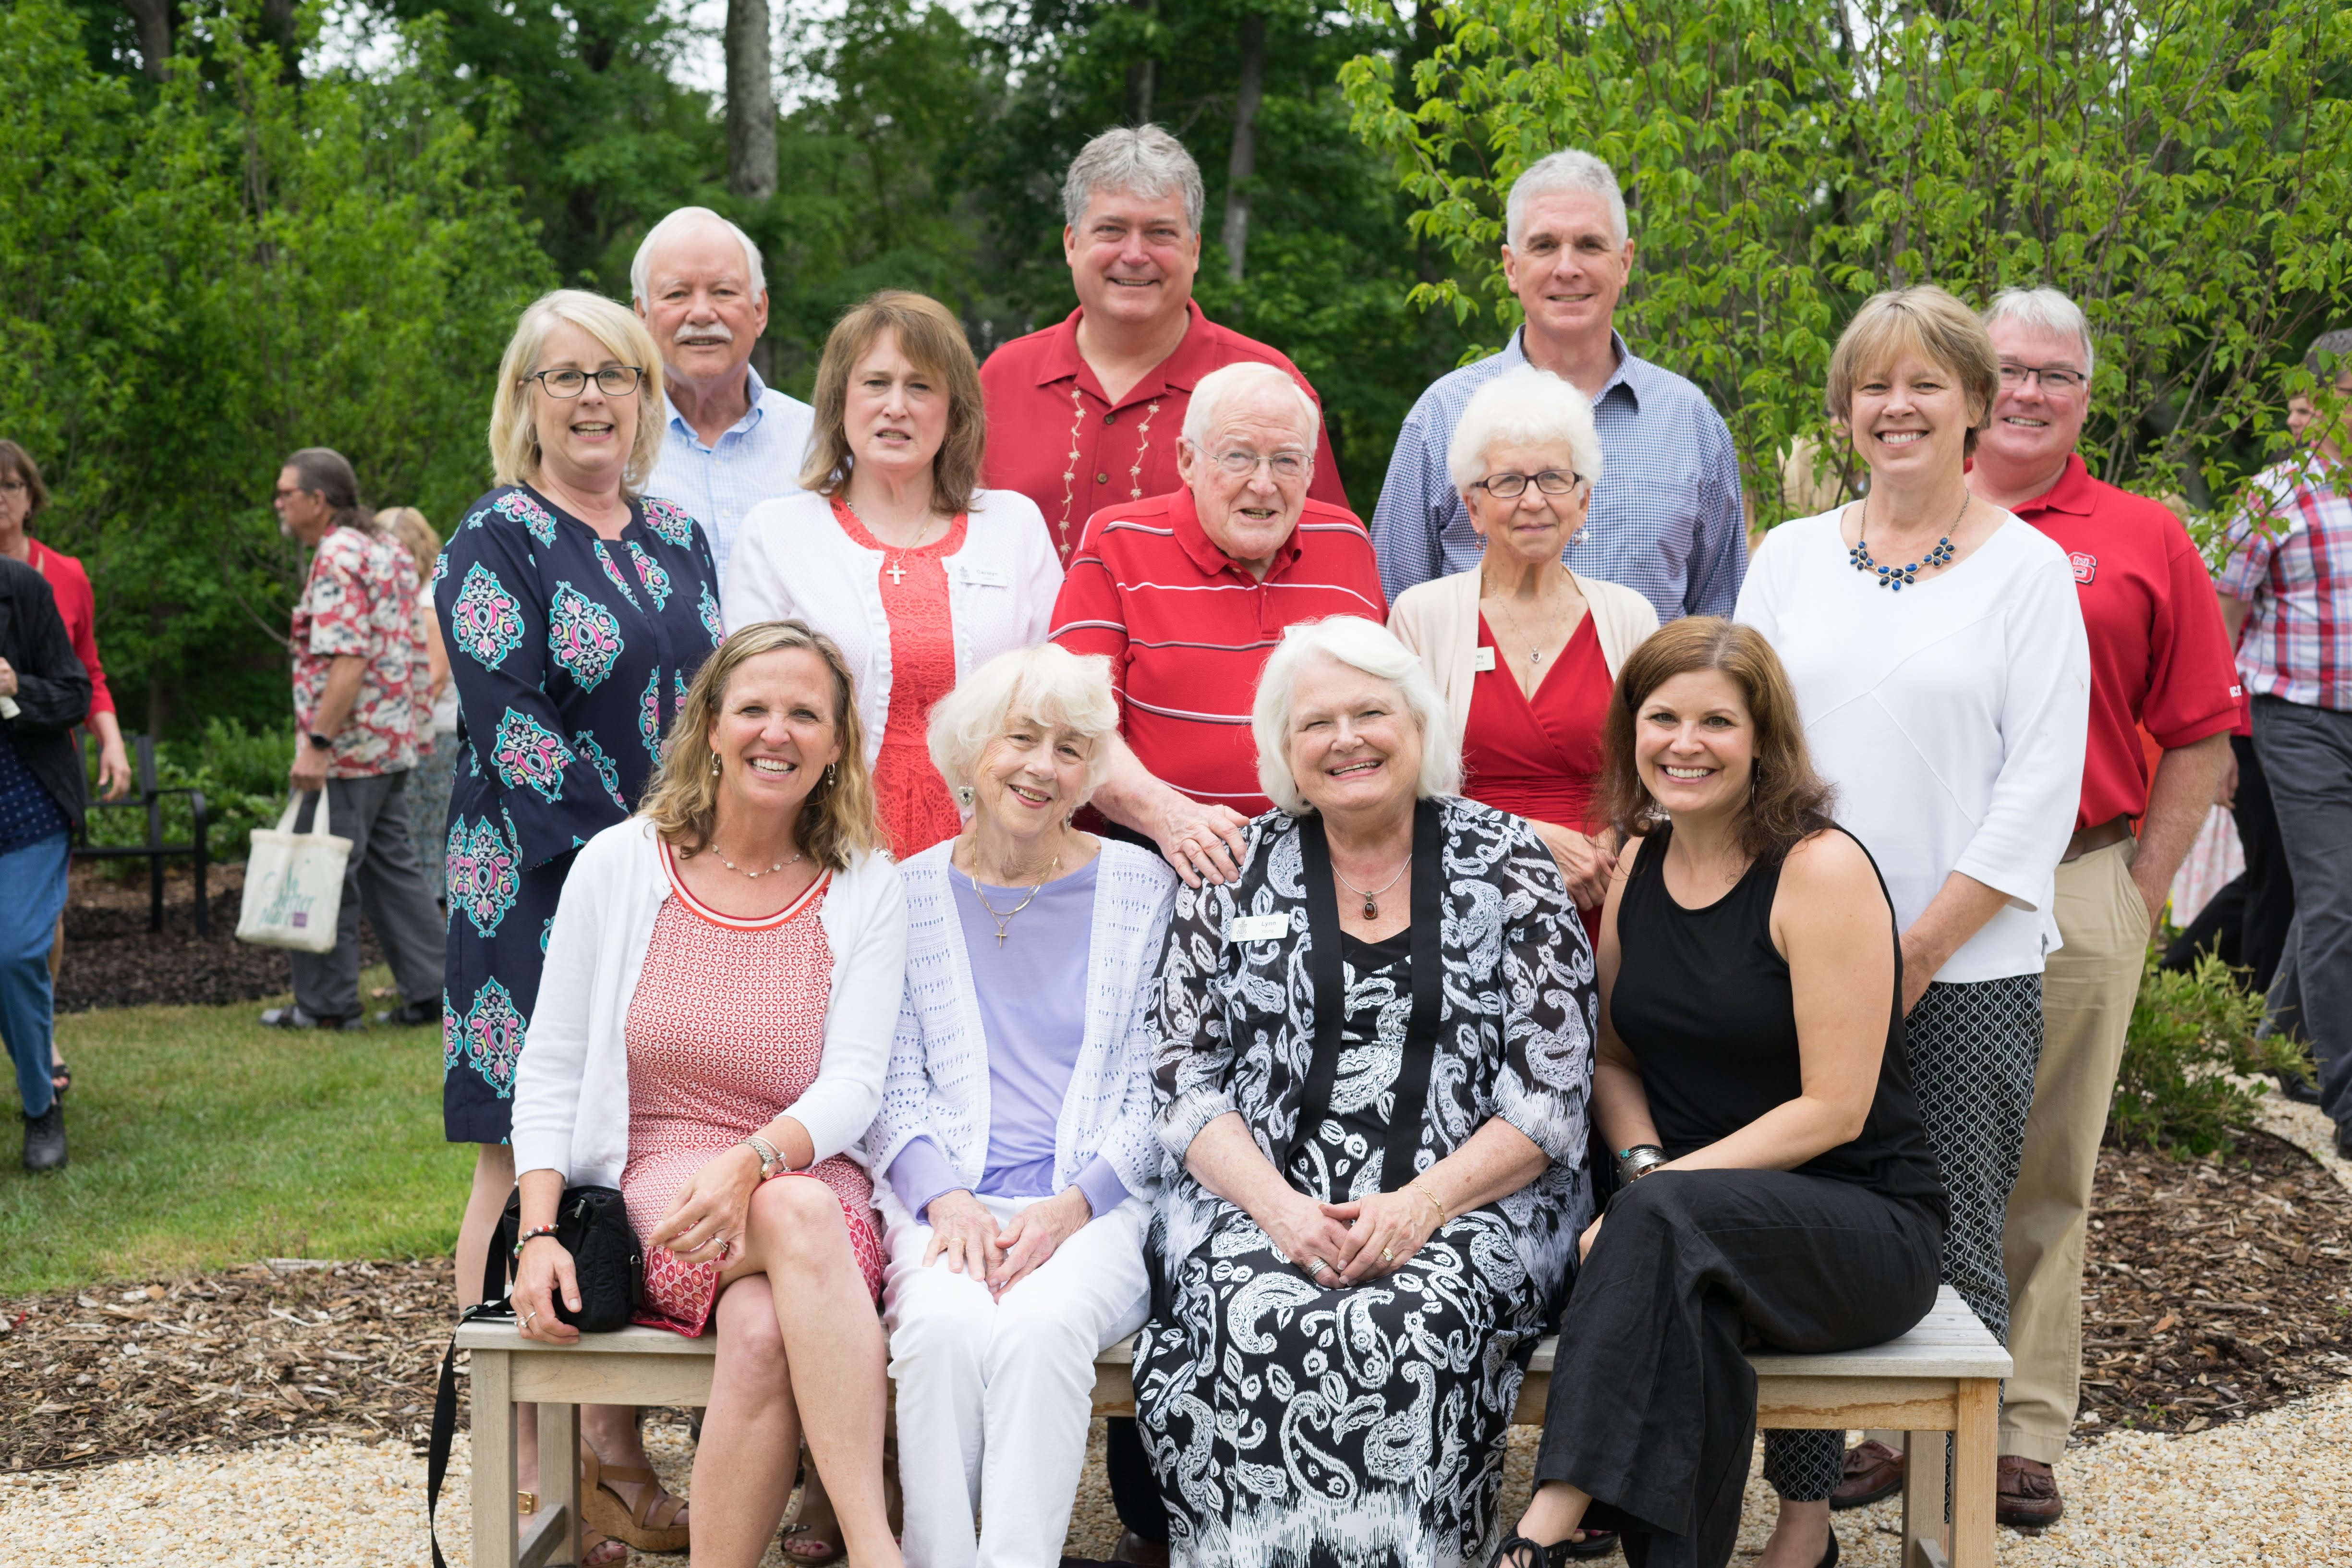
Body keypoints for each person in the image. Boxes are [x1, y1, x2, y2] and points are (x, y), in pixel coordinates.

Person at [1735, 284, 2088, 1545]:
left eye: (1925, 383)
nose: (1897, 405)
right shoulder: (1787, 558)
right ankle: (1805, 1519)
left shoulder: (2028, 573)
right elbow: (1739, 742)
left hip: (1968, 968)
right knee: (1795, 1236)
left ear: (1976, 405)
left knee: (1958, 1242)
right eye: (1873, 385)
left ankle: (1947, 1525)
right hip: (1792, 962)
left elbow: (2038, 787)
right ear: (1844, 411)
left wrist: (1918, 948)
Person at [1873, 287, 2231, 1529]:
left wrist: (2136, 891)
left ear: (2085, 398)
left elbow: (2201, 729)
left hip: (2076, 876)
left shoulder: (2142, 537)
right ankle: (1883, 1404)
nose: (2029, 393)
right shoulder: (1889, 521)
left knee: (2046, 1163)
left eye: (2057, 377)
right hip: (1897, 882)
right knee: (1886, 1145)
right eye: (2010, 369)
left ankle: (2019, 1420)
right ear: (1972, 386)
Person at [1134, 614, 1594, 1567]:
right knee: (1244, 1303)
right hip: (1257, 1199)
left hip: (1475, 1202)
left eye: (1370, 713)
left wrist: (1420, 1205)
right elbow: (1182, 1081)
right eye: (1316, 723)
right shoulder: (1230, 870)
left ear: (1419, 725)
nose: (1345, 739)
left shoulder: (1512, 862)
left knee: (1412, 1314)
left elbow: (1549, 1096)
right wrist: (1280, 1210)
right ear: (1284, 749)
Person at [1500, 618, 1946, 1568]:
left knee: (1661, 1235)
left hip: (1855, 1226)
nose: (1685, 743)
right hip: (1686, 1227)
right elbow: (1612, 1058)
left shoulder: (1818, 869)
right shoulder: (1640, 860)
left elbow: (1835, 1108)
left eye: (1716, 722)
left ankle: (1543, 1525)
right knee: (1683, 1314)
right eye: (1662, 718)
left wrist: (1655, 1196)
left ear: (1762, 739)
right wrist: (1645, 1170)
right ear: (1631, 731)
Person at [511, 620, 909, 1568]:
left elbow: (856, 1081)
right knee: (794, 1219)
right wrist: (537, 1235)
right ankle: (876, 1548)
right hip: (664, 1186)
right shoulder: (620, 864)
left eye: (805, 714)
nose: (777, 732)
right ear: (712, 727)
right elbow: (551, 1064)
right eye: (754, 709)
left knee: (766, 1316)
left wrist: (753, 1161)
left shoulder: (866, 884)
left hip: (810, 1174)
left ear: (838, 744)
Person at [438, 288, 726, 1562]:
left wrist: (710, 851)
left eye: (616, 373)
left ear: (647, 395)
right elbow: (511, 728)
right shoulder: (494, 537)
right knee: (524, 1151)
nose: (593, 395)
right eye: (565, 375)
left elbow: (715, 706)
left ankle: (612, 1450)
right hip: (539, 885)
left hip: (676, 879)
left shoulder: (677, 534)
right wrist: (640, 857)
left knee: (627, 1146)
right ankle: (526, 1467)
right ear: (526, 399)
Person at [868, 642, 1173, 1568]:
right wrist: (947, 1201)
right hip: (946, 1203)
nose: (1043, 767)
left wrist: (1071, 1206)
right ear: (970, 750)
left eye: (1070, 749)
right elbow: (889, 1080)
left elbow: (1159, 1084)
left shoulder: (1142, 888)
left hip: (1098, 1207)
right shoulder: (904, 892)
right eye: (1021, 739)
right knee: (940, 1329)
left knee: (1042, 1328)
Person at [724, 291, 1060, 862]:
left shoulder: (1014, 525)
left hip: (997, 853)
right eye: (875, 383)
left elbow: (1055, 695)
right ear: (840, 401)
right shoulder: (775, 532)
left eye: (920, 386)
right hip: (822, 849)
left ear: (954, 410)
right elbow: (753, 709)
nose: (896, 407)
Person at [1368, 148, 1747, 621]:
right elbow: (1389, 612)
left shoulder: (1690, 422)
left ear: (1625, 262)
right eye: (1544, 245)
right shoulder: (1442, 416)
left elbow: (1722, 623)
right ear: (1511, 267)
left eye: (1589, 245)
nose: (1567, 268)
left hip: (1643, 675)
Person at [1049, 360, 1386, 887]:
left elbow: (1385, 712)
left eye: (1286, 460)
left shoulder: (1347, 541)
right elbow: (1073, 722)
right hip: (1169, 860)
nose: (1263, 484)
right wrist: (1169, 816)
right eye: (1237, 457)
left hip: (1336, 860)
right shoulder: (1116, 543)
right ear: (1187, 460)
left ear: (1309, 469)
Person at [978, 125, 1348, 566]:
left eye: (1160, 233)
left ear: (1195, 250)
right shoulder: (1000, 379)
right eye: (1111, 230)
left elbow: (1329, 563)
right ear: (1072, 243)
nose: (1135, 254)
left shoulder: (1272, 389)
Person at [1389, 365, 1660, 932]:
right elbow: (1398, 783)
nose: (1533, 500)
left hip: (1605, 892)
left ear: (1582, 501)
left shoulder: (1630, 617)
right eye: (1508, 482)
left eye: (1554, 479)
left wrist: (1613, 845)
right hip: (1464, 899)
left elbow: (1660, 770)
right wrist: (1524, 842)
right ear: (1472, 507)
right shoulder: (1420, 617)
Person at [2218, 326, 2352, 1161]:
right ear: (2318, 403)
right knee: (2337, 899)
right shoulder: (2273, 496)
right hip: (2298, 722)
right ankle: (2348, 1098)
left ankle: (2277, 1040)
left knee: (2332, 896)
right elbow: (2221, 616)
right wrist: (2219, 736)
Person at [260, 449, 446, 1034]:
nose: (278, 504)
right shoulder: (385, 548)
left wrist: (318, 742)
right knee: (392, 869)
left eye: (286, 493)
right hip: (390, 742)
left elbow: (348, 658)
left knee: (324, 869)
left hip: (348, 749)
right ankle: (433, 988)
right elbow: (405, 643)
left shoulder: (338, 555)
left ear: (318, 500)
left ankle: (326, 1006)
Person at [0, 439, 129, 1105]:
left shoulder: (62, 574)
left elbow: (88, 672)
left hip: (41, 766)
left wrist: (112, 743)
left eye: (11, 485)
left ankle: (40, 1037)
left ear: (31, 496)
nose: (1, 499)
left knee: (38, 923)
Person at [635, 206, 816, 588]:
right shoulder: (609, 448)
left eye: (724, 292)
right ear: (641, 316)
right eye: (677, 294)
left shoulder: (820, 442)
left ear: (759, 311)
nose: (702, 313)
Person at [0, 549, 89, 1172]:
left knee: (12, 953)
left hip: (25, 808)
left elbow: (75, 693)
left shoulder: (22, 589)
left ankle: (41, 1106)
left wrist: (16, 688)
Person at [381, 506, 458, 911]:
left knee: (428, 837)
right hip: (428, 735)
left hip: (435, 738)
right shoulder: (426, 594)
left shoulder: (429, 602)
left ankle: (432, 925)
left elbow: (434, 679)